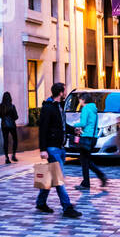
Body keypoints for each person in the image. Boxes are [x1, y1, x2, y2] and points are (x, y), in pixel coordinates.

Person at [35, 83, 82, 219]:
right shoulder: (48, 108)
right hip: (52, 148)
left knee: (50, 176)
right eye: (64, 91)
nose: (65, 93)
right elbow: (42, 129)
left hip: (60, 148)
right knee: (59, 178)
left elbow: (61, 126)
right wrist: (43, 149)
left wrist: (73, 130)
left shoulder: (59, 107)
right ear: (60, 93)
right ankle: (66, 207)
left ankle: (41, 202)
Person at [77, 92, 108, 191]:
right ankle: (89, 181)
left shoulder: (85, 108)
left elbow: (83, 123)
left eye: (80, 99)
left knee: (85, 161)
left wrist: (74, 124)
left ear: (84, 100)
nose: (79, 101)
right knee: (86, 160)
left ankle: (93, 179)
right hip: (93, 137)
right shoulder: (94, 109)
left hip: (86, 137)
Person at [0, 92, 19, 166]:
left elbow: (0, 115)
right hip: (12, 125)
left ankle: (6, 157)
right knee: (15, 139)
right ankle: (13, 155)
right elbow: (16, 117)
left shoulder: (0, 106)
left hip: (4, 125)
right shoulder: (12, 106)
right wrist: (11, 118)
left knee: (5, 141)